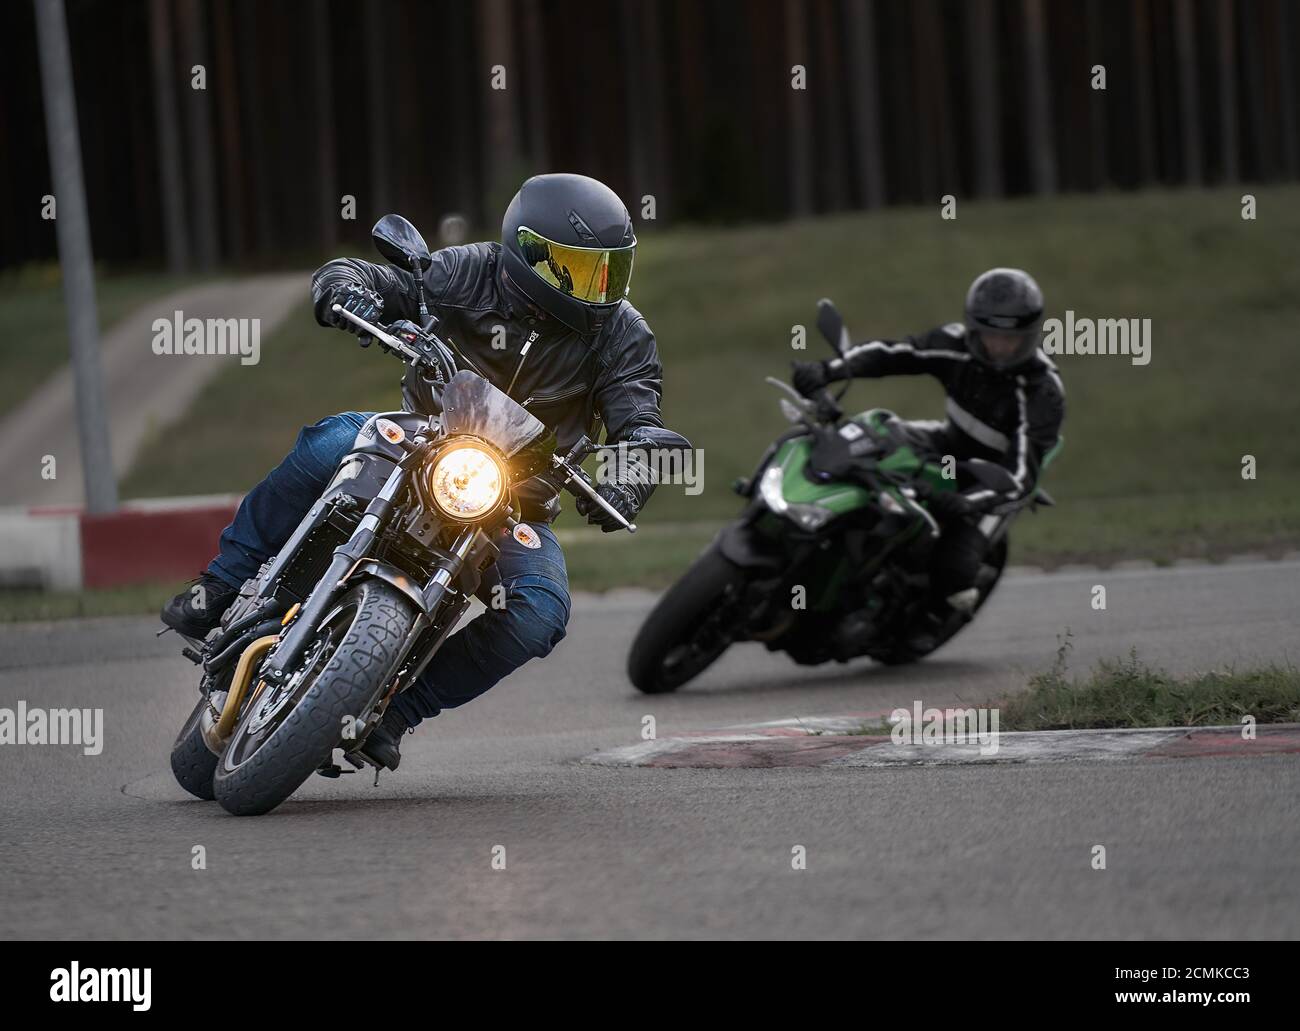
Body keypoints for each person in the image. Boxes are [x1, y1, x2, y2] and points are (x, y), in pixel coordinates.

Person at [161, 173, 689, 768]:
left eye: (609, 271)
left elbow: (641, 421)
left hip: (517, 497)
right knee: (329, 440)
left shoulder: (623, 337)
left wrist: (632, 472)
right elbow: (390, 281)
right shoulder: (473, 271)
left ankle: (399, 712)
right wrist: (348, 288)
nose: (598, 289)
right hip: (421, 436)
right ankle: (223, 582)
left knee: (542, 612)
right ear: (528, 252)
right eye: (579, 270)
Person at [790, 268, 1065, 649]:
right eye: (991, 334)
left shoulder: (1042, 390)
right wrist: (828, 370)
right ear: (973, 327)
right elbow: (895, 354)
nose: (1000, 345)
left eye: (1012, 338)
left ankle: (933, 616)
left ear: (1030, 336)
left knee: (956, 566)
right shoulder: (953, 343)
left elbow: (1020, 476)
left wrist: (963, 502)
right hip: (948, 440)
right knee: (868, 438)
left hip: (992, 477)